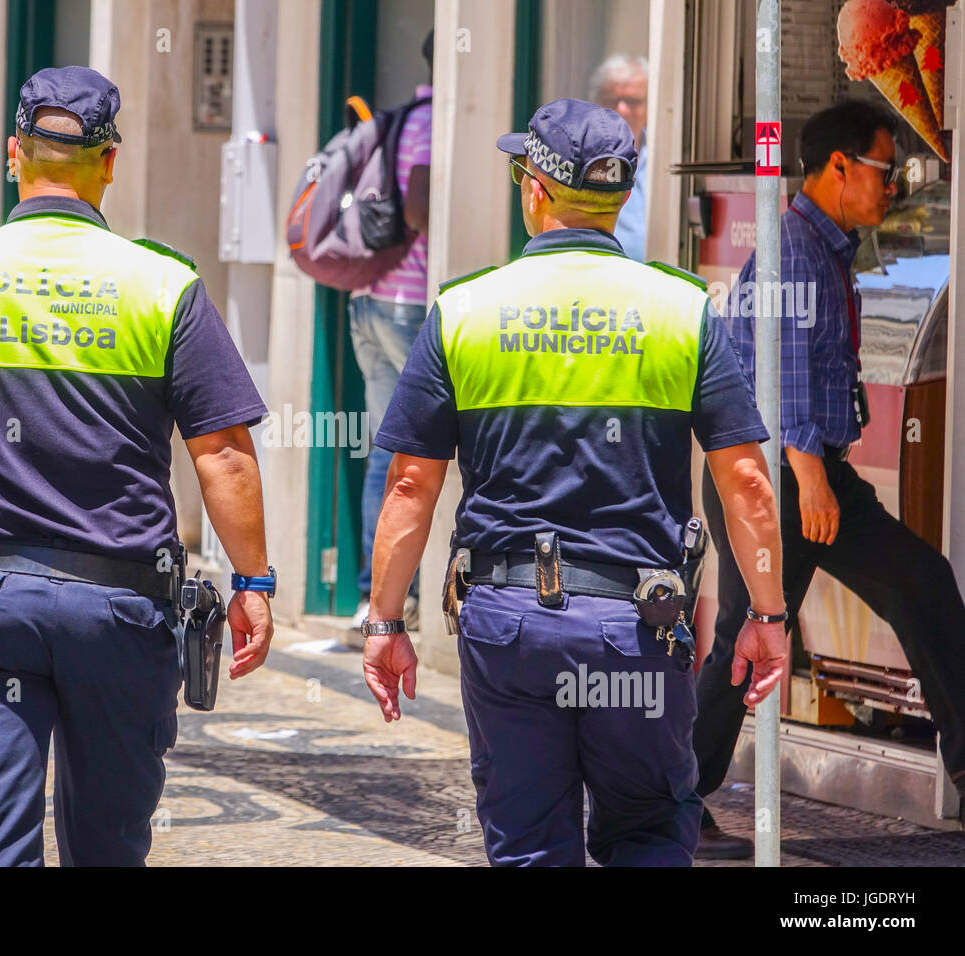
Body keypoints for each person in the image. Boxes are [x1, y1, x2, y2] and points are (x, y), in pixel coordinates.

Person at [0, 66, 275, 866]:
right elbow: (221, 453)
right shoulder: (164, 285)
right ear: (110, 164)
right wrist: (253, 583)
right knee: (109, 846)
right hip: (118, 607)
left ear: (15, 155)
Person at [360, 99, 789, 866]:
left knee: (528, 842)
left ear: (533, 187)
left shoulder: (464, 311)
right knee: (650, 834)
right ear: (622, 198)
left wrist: (386, 623)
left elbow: (408, 486)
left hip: (509, 627)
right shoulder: (682, 309)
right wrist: (768, 614)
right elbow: (748, 482)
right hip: (639, 629)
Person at [693, 99, 965, 859]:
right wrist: (811, 482)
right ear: (838, 167)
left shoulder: (826, 246)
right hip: (776, 480)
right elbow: (779, 380)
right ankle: (666, 799)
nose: (895, 188)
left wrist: (819, 479)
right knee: (745, 641)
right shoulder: (795, 253)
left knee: (922, 582)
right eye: (886, 170)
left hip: (808, 476)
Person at [349, 29, 433, 629]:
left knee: (387, 451)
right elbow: (417, 210)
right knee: (419, 454)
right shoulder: (431, 123)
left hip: (369, 300)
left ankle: (373, 591)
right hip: (408, 303)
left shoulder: (399, 118)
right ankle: (409, 593)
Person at [590, 54, 648, 261]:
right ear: (595, 102)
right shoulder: (581, 156)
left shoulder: (664, 155)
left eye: (632, 101)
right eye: (612, 100)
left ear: (649, 107)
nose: (622, 110)